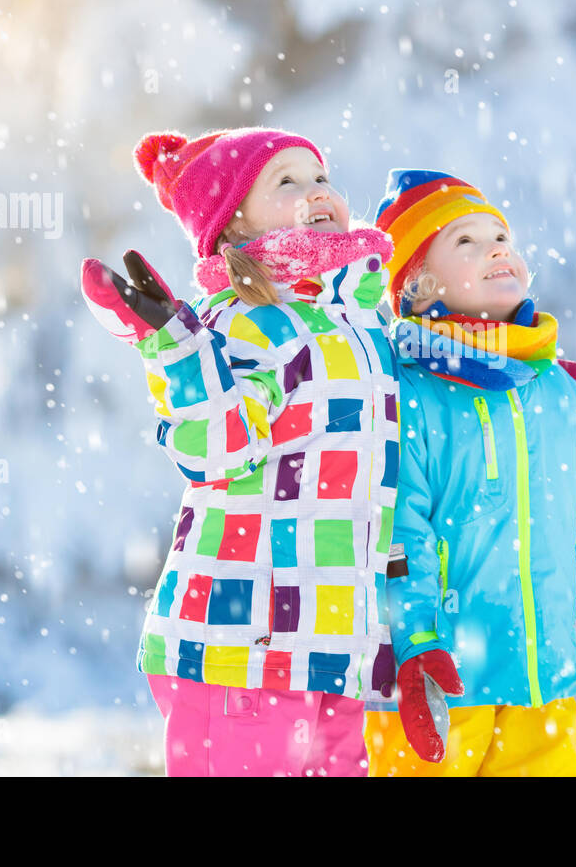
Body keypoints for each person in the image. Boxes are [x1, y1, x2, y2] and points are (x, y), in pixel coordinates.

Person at [80, 128, 399, 776]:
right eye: (288, 182)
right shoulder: (242, 320)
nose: (318, 192)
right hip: (245, 647)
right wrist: (174, 345)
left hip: (341, 647)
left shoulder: (359, 324)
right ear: (233, 224)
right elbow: (216, 448)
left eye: (321, 177)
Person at [363, 169, 576, 776]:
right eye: (464, 241)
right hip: (430, 689)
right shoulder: (403, 395)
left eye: (501, 236)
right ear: (416, 282)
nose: (496, 248)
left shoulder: (566, 398)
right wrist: (415, 646)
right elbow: (393, 536)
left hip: (542, 690)